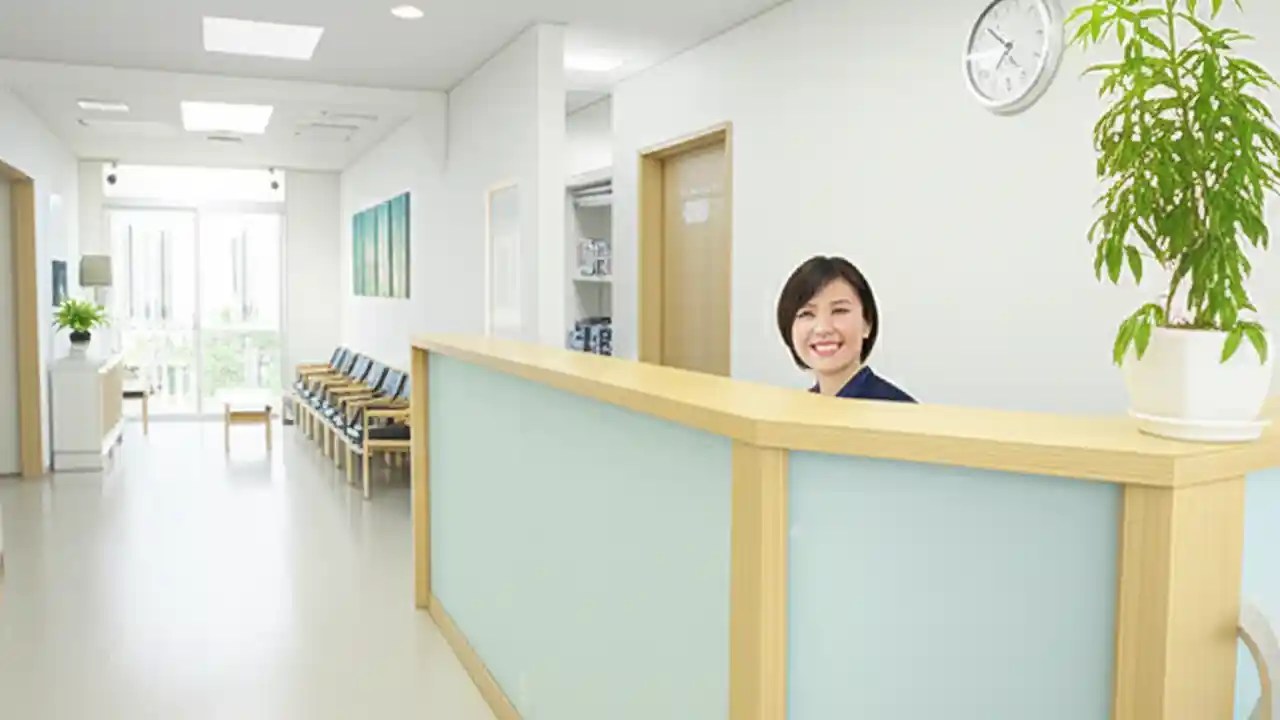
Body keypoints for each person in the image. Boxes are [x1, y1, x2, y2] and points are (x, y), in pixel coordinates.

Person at [776, 255, 916, 403]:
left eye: (839, 311)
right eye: (807, 314)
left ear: (867, 323)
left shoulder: (899, 411)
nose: (823, 328)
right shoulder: (795, 410)